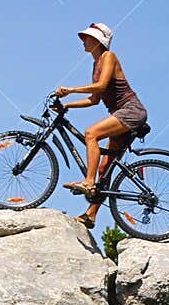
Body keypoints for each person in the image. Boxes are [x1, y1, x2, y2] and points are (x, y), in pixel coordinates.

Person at [53, 21, 148, 227]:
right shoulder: (96, 65)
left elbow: (101, 85)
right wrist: (67, 105)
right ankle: (91, 215)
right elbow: (94, 99)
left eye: (87, 38)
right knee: (105, 168)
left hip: (131, 111)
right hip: (121, 114)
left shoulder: (108, 57)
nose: (83, 41)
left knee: (91, 134)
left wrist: (70, 89)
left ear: (98, 41)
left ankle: (88, 182)